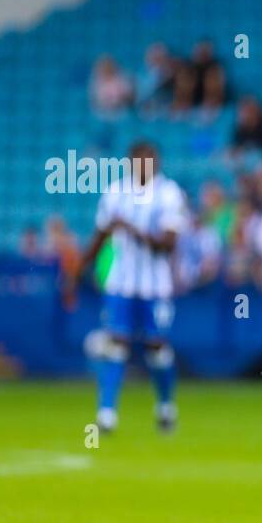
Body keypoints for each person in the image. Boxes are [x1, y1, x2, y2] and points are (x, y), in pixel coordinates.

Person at [64, 142, 187, 434]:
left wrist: (131, 229)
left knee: (156, 347)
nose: (145, 165)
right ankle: (107, 413)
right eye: (139, 160)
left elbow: (168, 244)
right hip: (121, 282)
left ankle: (165, 406)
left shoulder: (169, 194)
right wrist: (76, 271)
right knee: (116, 343)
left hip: (155, 287)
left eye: (150, 160)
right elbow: (100, 236)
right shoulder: (115, 193)